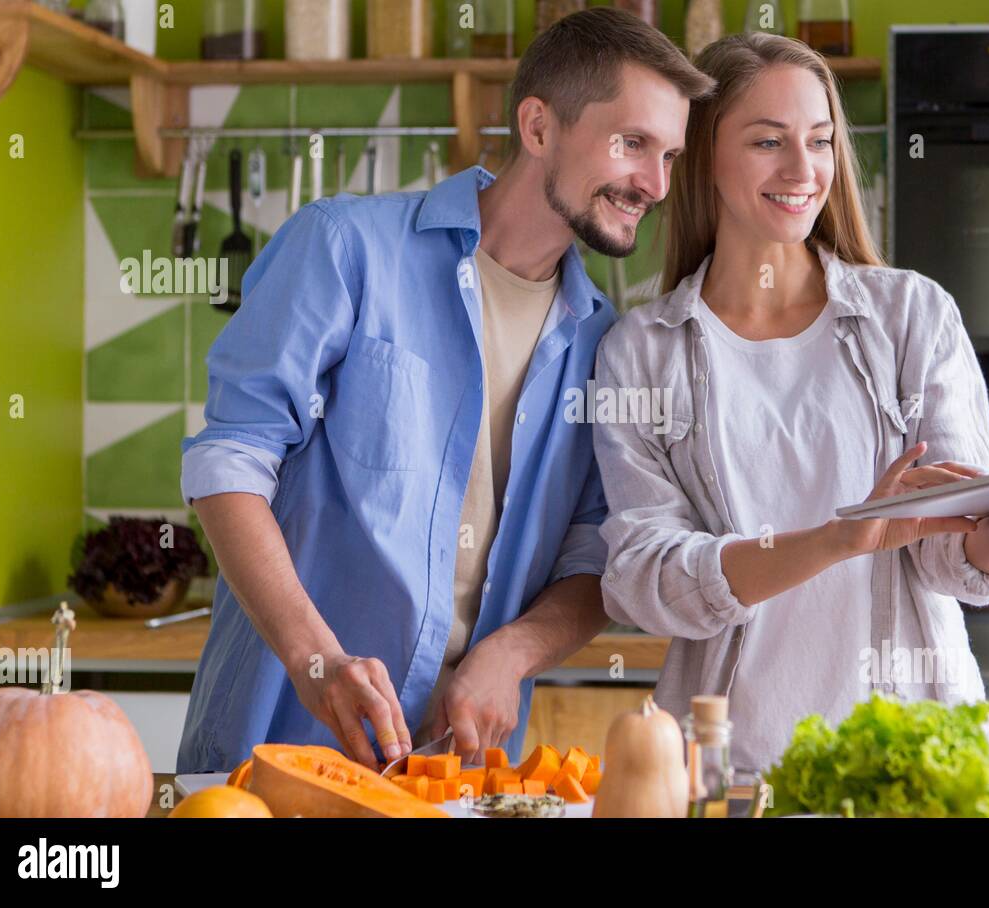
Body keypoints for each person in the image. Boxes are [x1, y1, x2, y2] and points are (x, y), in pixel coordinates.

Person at [592, 33, 989, 772]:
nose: (804, 170)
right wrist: (841, 536)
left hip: (914, 757)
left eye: (822, 141)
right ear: (702, 155)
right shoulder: (641, 351)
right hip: (734, 769)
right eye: (769, 142)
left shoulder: (912, 316)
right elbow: (646, 578)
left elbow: (954, 556)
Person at [176, 8, 714, 772]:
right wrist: (318, 660)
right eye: (631, 144)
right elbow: (229, 464)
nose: (654, 184)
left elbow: (597, 555)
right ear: (538, 127)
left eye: (669, 155)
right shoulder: (346, 248)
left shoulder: (606, 342)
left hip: (458, 770)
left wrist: (510, 653)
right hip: (273, 748)